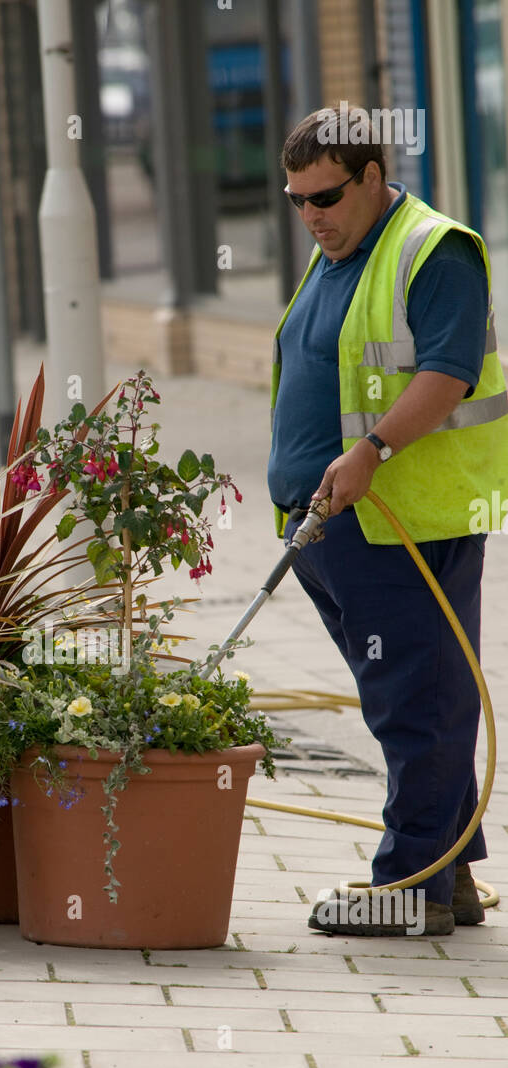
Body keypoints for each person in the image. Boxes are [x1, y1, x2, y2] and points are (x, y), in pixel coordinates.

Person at [268, 105, 508, 937]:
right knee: (408, 697)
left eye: (325, 196)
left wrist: (369, 449)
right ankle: (449, 876)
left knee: (416, 700)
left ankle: (408, 885)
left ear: (373, 176)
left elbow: (447, 373)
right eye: (296, 199)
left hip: (402, 518)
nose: (311, 215)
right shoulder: (336, 252)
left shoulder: (432, 249)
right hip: (334, 527)